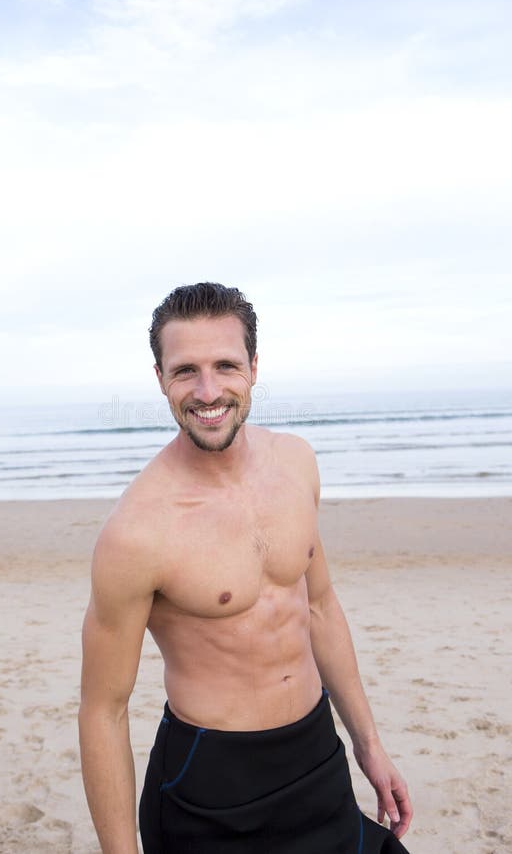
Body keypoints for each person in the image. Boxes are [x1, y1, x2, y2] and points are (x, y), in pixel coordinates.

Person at [79, 282, 413, 853]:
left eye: (226, 365)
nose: (208, 391)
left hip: (317, 754)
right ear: (160, 378)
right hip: (212, 787)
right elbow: (103, 711)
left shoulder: (296, 462)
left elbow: (319, 606)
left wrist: (369, 745)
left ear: (254, 367)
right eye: (186, 371)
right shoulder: (137, 532)